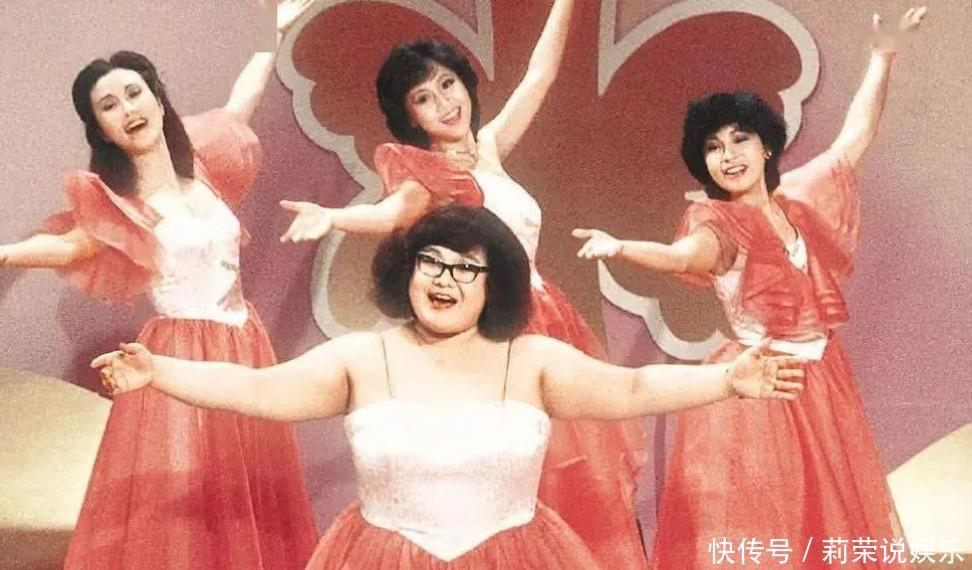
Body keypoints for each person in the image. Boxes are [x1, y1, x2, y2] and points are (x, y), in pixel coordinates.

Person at [94, 205, 804, 569]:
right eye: (430, 262)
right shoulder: (362, 357)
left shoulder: (531, 360)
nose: (445, 279)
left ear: (495, 285)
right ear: (405, 272)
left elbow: (634, 388)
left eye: (467, 268)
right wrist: (161, 372)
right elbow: (258, 390)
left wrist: (728, 380)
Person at [276, 1, 650, 564]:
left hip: (548, 322)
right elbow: (389, 213)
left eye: (447, 84)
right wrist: (333, 218)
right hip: (491, 334)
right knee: (515, 480)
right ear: (410, 118)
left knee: (578, 478)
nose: (444, 103)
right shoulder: (426, 174)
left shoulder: (490, 147)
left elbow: (540, 74)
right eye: (423, 98)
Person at [573, 7, 926, 568]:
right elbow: (685, 256)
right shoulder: (715, 221)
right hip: (761, 395)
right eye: (713, 147)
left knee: (829, 530)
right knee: (764, 537)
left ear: (766, 146)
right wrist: (622, 248)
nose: (728, 155)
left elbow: (853, 140)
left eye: (740, 139)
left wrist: (882, 59)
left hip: (822, 385)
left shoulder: (797, 204)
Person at [0, 2, 320, 568]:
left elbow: (244, 96)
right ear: (100, 128)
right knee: (184, 505)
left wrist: (276, 27)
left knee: (243, 495)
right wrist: (7, 253)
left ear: (156, 96)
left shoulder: (209, 168)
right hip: (177, 355)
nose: (127, 109)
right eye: (108, 105)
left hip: (245, 347)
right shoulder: (121, 205)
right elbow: (70, 246)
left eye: (134, 93)